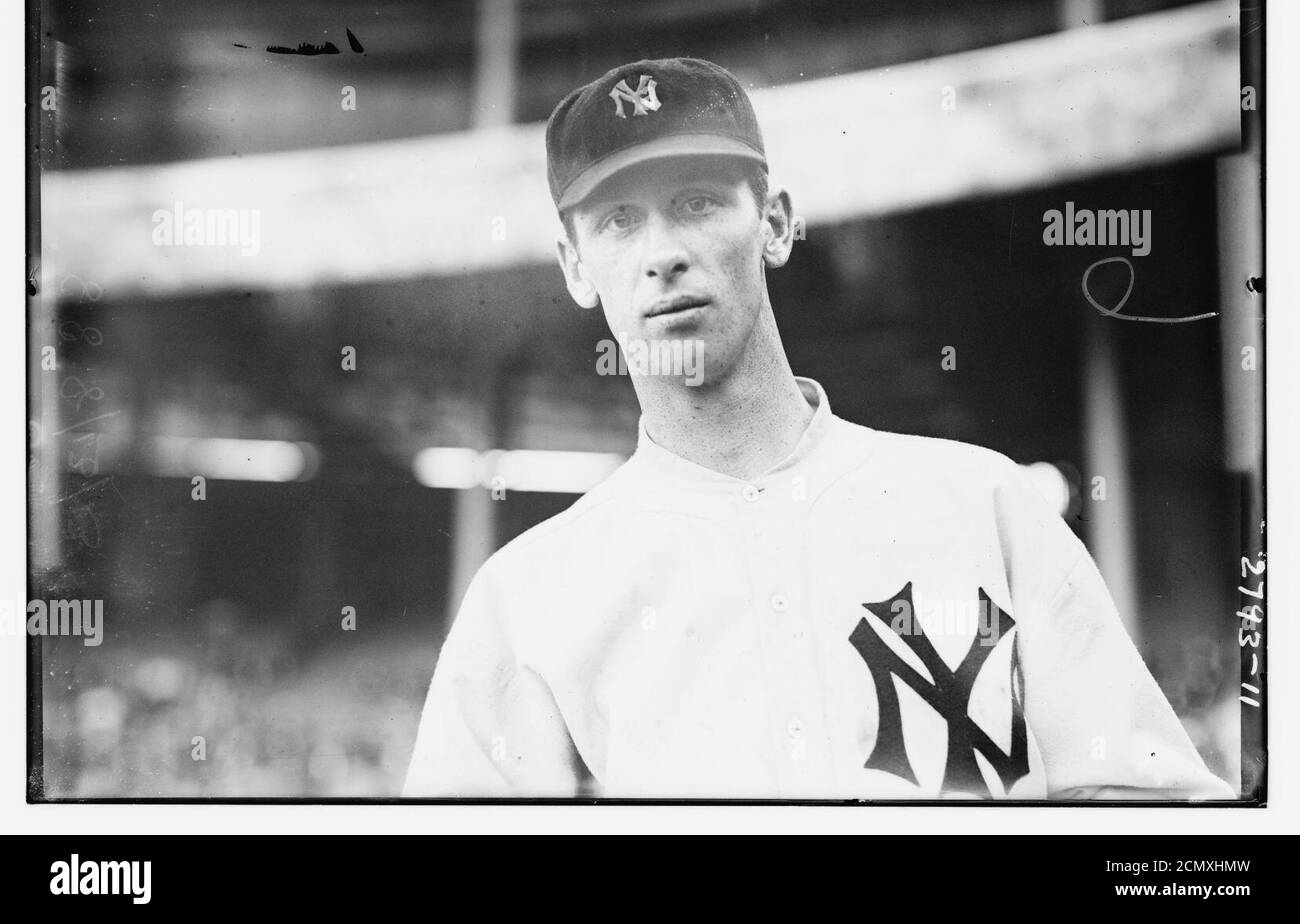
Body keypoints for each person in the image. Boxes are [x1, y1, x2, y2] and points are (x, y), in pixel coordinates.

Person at [403, 57, 1233, 800]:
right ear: (576, 266)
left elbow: (1148, 806)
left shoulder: (983, 502)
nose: (662, 253)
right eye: (618, 221)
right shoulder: (526, 598)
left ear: (775, 222)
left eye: (695, 202)